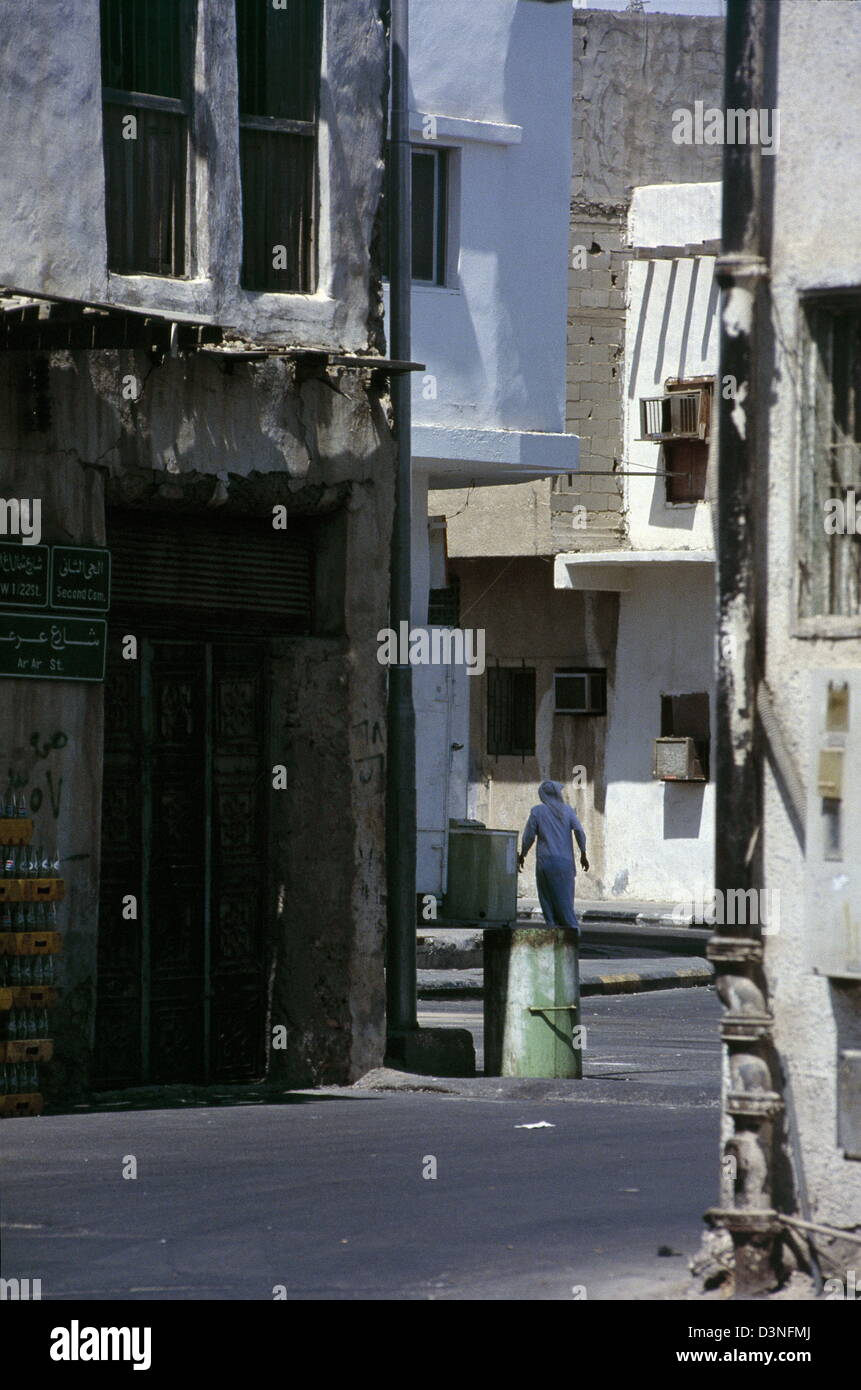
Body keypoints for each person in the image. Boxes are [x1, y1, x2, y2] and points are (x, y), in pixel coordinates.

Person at [518, 780, 589, 929]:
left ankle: (552, 930)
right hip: (565, 863)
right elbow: (579, 832)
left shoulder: (537, 811)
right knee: (565, 901)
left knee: (547, 900)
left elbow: (529, 836)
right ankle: (572, 933)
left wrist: (522, 854)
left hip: (544, 862)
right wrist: (583, 853)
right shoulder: (568, 811)